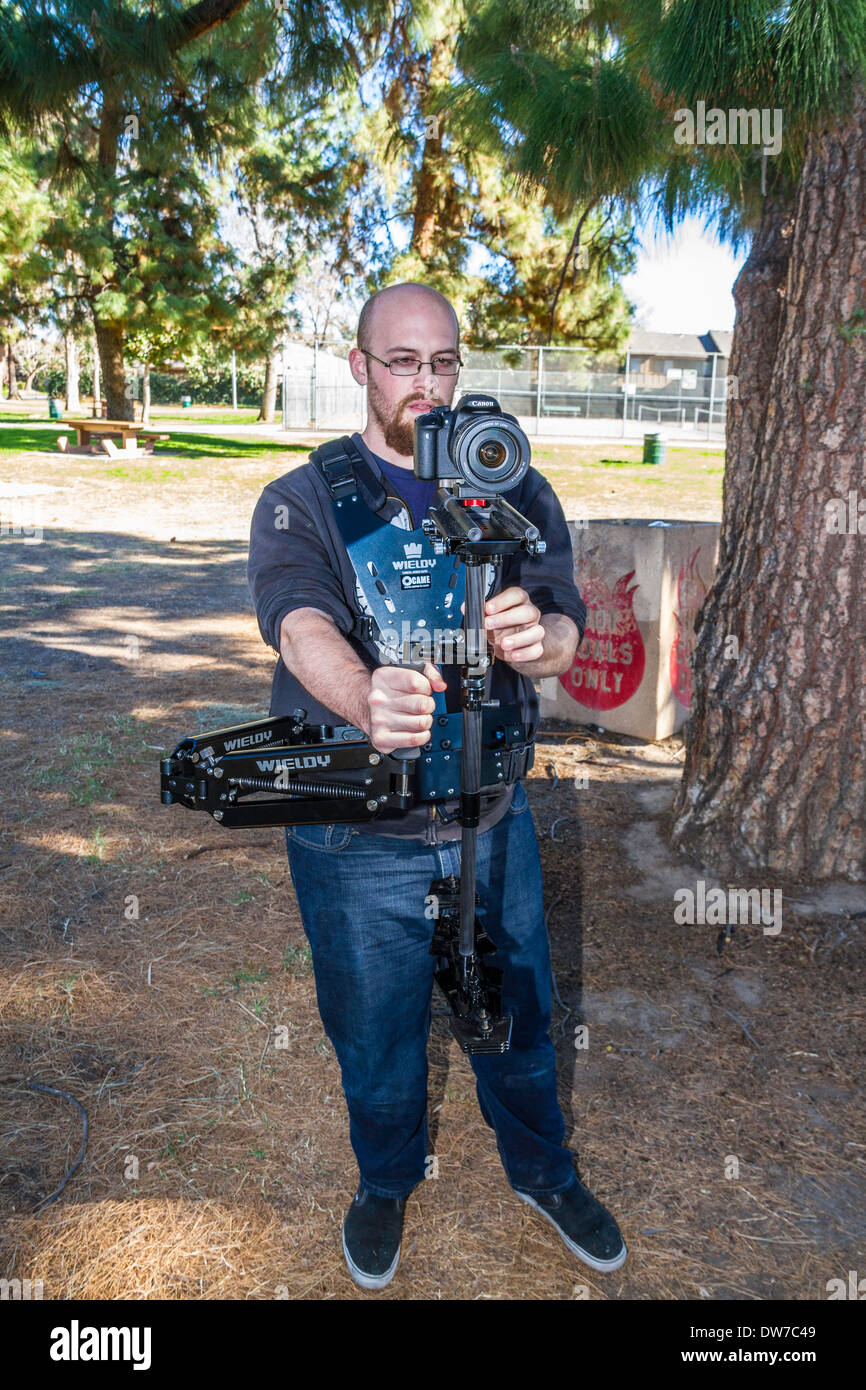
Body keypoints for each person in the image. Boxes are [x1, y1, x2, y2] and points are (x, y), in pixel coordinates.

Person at [247, 282, 626, 1290]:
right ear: (361, 367)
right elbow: (298, 620)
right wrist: (360, 692)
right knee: (373, 1036)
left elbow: (561, 623)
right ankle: (383, 1182)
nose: (425, 383)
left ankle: (543, 1172)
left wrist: (536, 639)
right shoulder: (302, 498)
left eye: (443, 361)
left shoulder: (512, 482)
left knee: (517, 1018)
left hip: (488, 817)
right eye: (402, 361)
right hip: (353, 834)